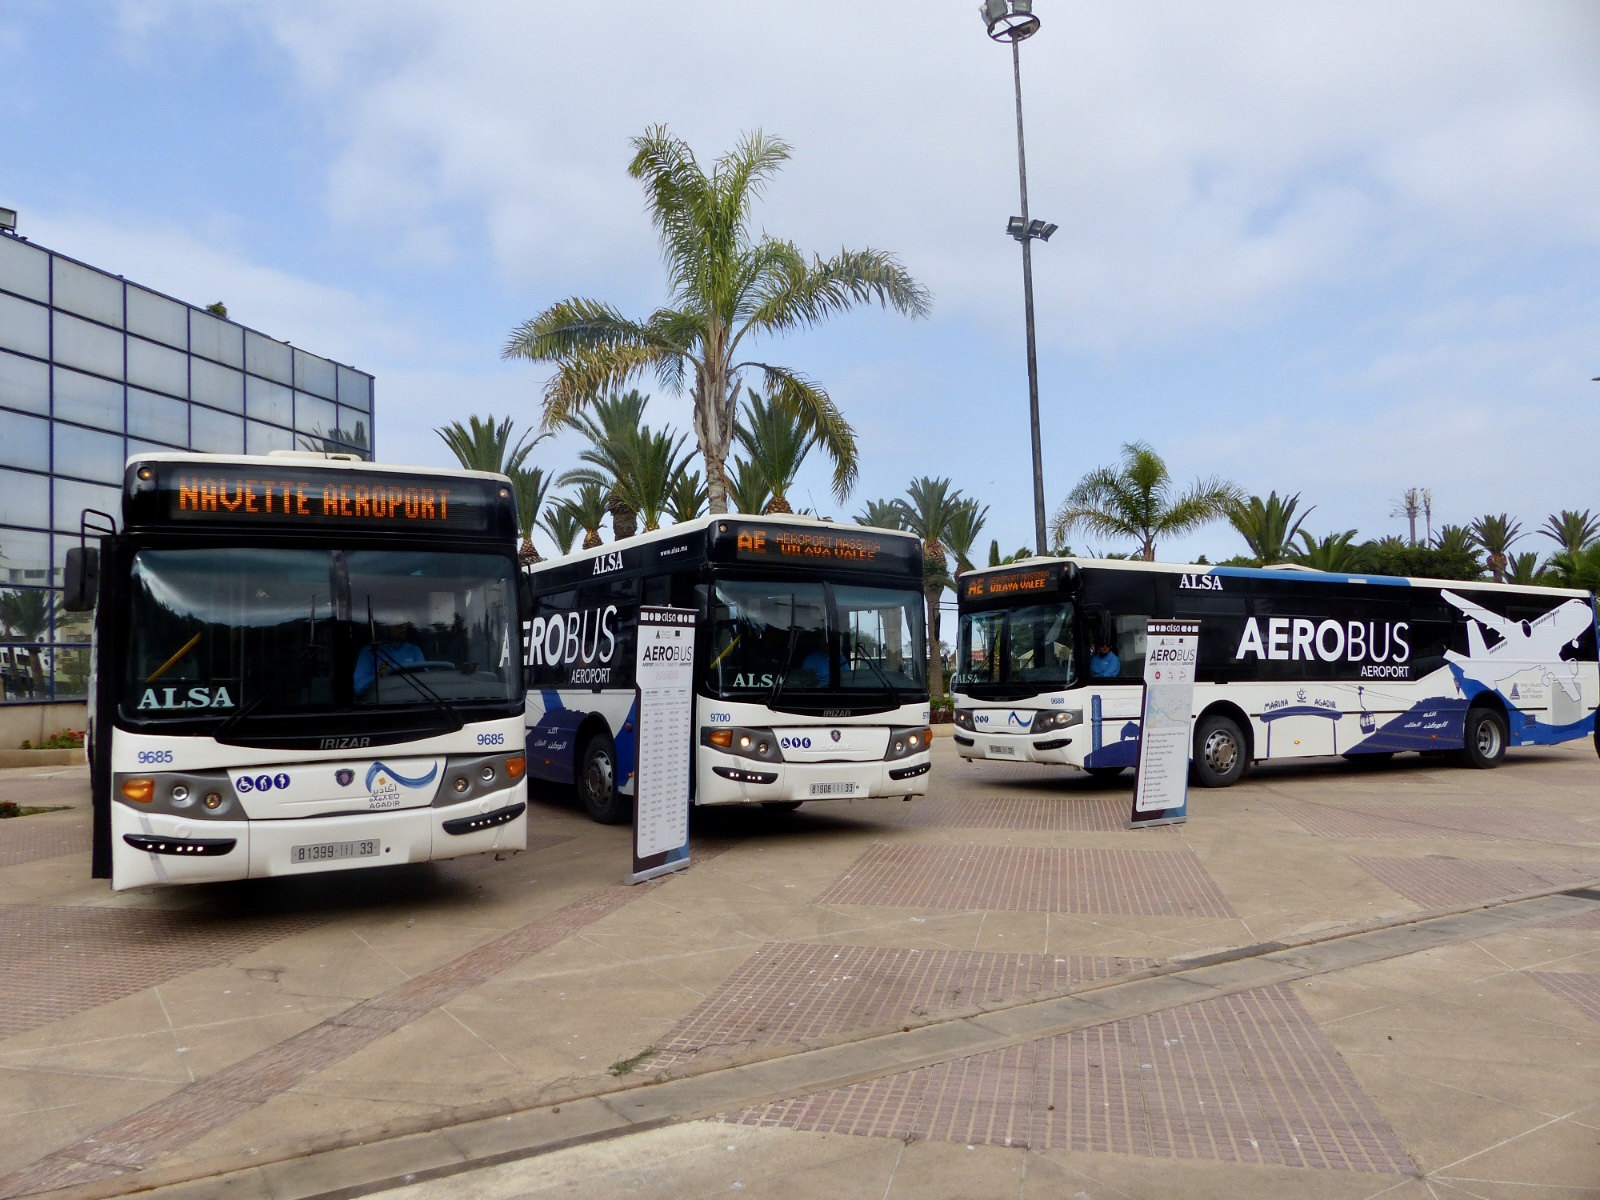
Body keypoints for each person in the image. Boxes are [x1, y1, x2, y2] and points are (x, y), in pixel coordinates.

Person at [354, 621, 426, 695]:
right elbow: (359, 686)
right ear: (384, 628)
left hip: (414, 698)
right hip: (382, 702)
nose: (403, 628)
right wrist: (378, 677)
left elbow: (426, 679)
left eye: (404, 624)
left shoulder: (414, 649)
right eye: (398, 625)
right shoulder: (369, 651)